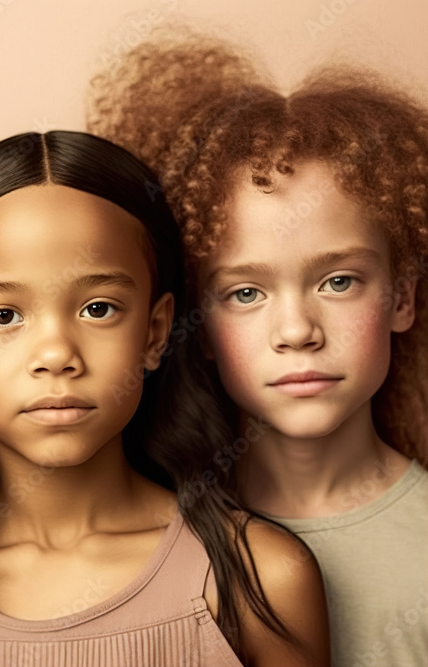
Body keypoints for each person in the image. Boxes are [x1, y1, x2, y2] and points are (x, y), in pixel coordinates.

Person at [0, 130, 330, 666]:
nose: (56, 354)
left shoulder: (259, 579)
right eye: (4, 316)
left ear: (156, 333)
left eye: (98, 309)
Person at [87, 33, 428, 666]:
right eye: (245, 292)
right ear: (195, 321)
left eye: (339, 281)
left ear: (402, 296)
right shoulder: (150, 538)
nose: (297, 329)